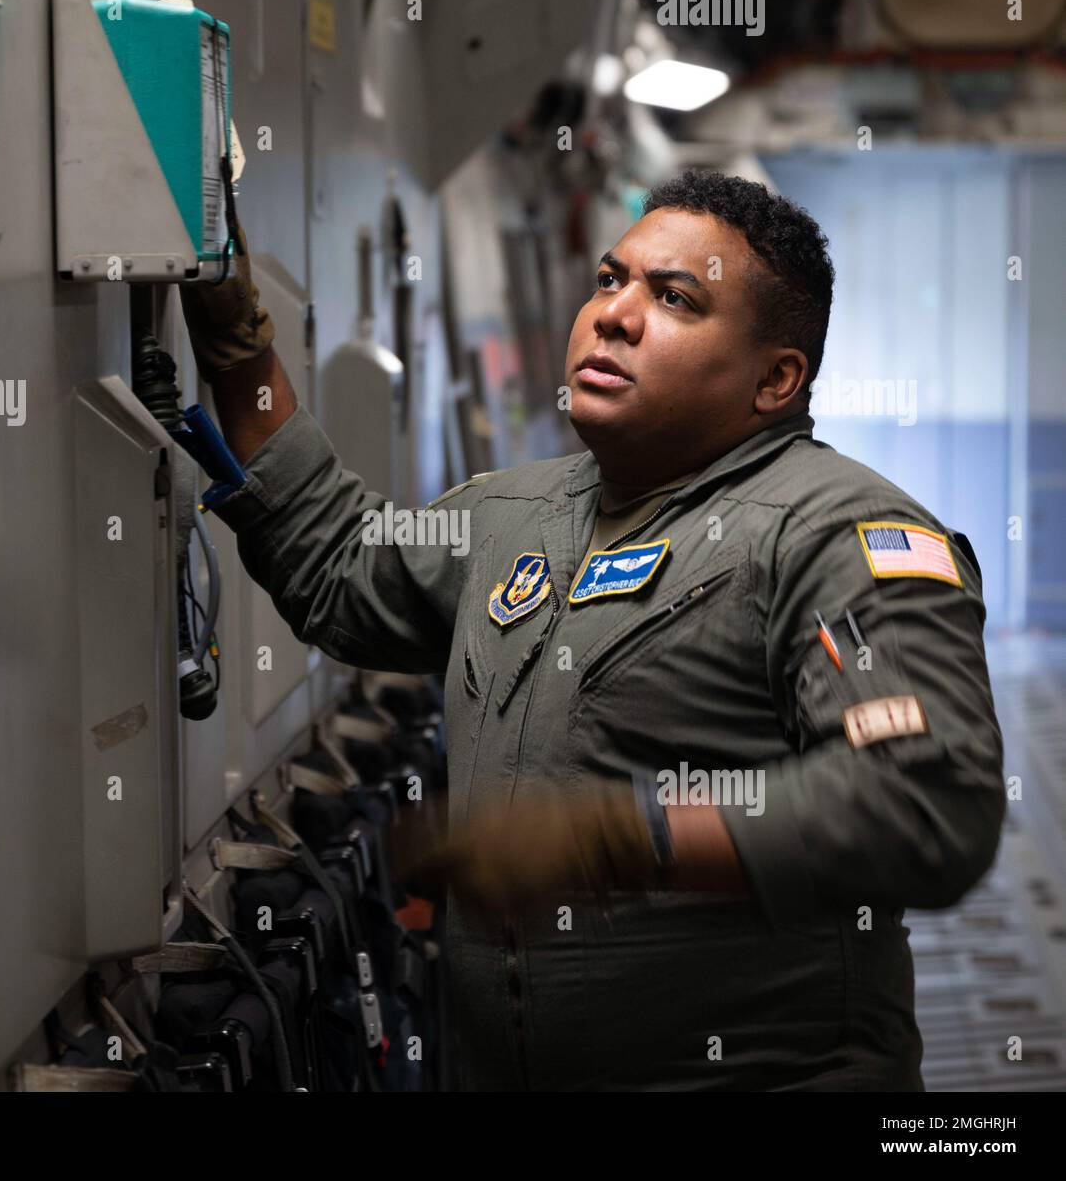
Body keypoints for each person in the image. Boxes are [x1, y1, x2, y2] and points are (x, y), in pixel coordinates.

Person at [178, 170, 1006, 1092]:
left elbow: (928, 803)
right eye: (611, 279)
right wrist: (236, 340)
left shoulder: (833, 536)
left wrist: (614, 838)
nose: (614, 314)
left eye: (675, 298)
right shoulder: (515, 515)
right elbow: (333, 569)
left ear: (777, 379)